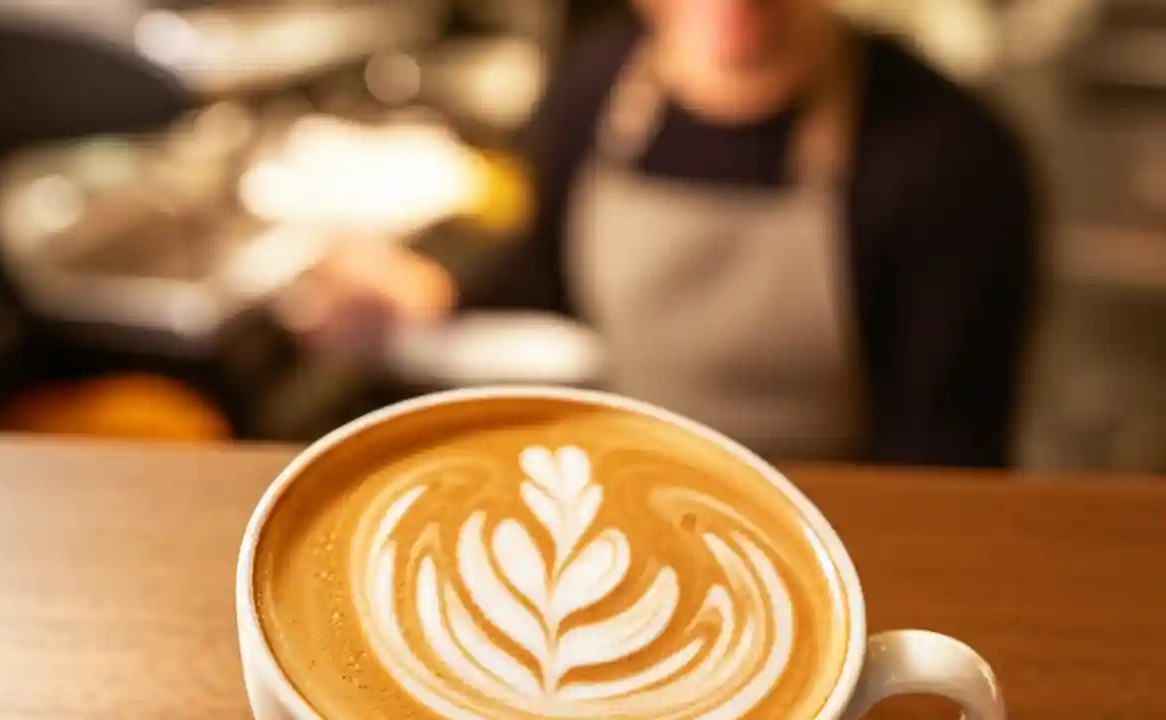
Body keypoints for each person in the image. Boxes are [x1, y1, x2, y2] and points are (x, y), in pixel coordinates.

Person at [289, 0, 1037, 467]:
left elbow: (948, 451)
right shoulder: (592, 86)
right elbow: (552, 275)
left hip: (831, 532)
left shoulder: (953, 158)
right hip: (615, 481)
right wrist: (431, 295)